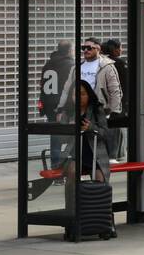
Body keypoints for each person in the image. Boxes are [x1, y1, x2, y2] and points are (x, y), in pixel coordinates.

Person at [38, 40, 75, 168]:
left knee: (55, 137)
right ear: (70, 50)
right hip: (62, 105)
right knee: (73, 136)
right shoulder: (70, 65)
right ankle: (66, 166)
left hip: (49, 104)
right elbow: (70, 88)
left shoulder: (48, 64)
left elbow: (42, 85)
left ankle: (56, 166)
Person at [72, 79, 112, 183]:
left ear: (89, 94)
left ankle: (99, 199)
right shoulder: (69, 111)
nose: (79, 97)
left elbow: (106, 134)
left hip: (94, 154)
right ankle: (72, 199)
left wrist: (91, 128)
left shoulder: (96, 109)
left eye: (83, 94)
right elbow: (61, 137)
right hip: (74, 154)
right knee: (71, 175)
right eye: (76, 94)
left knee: (99, 180)